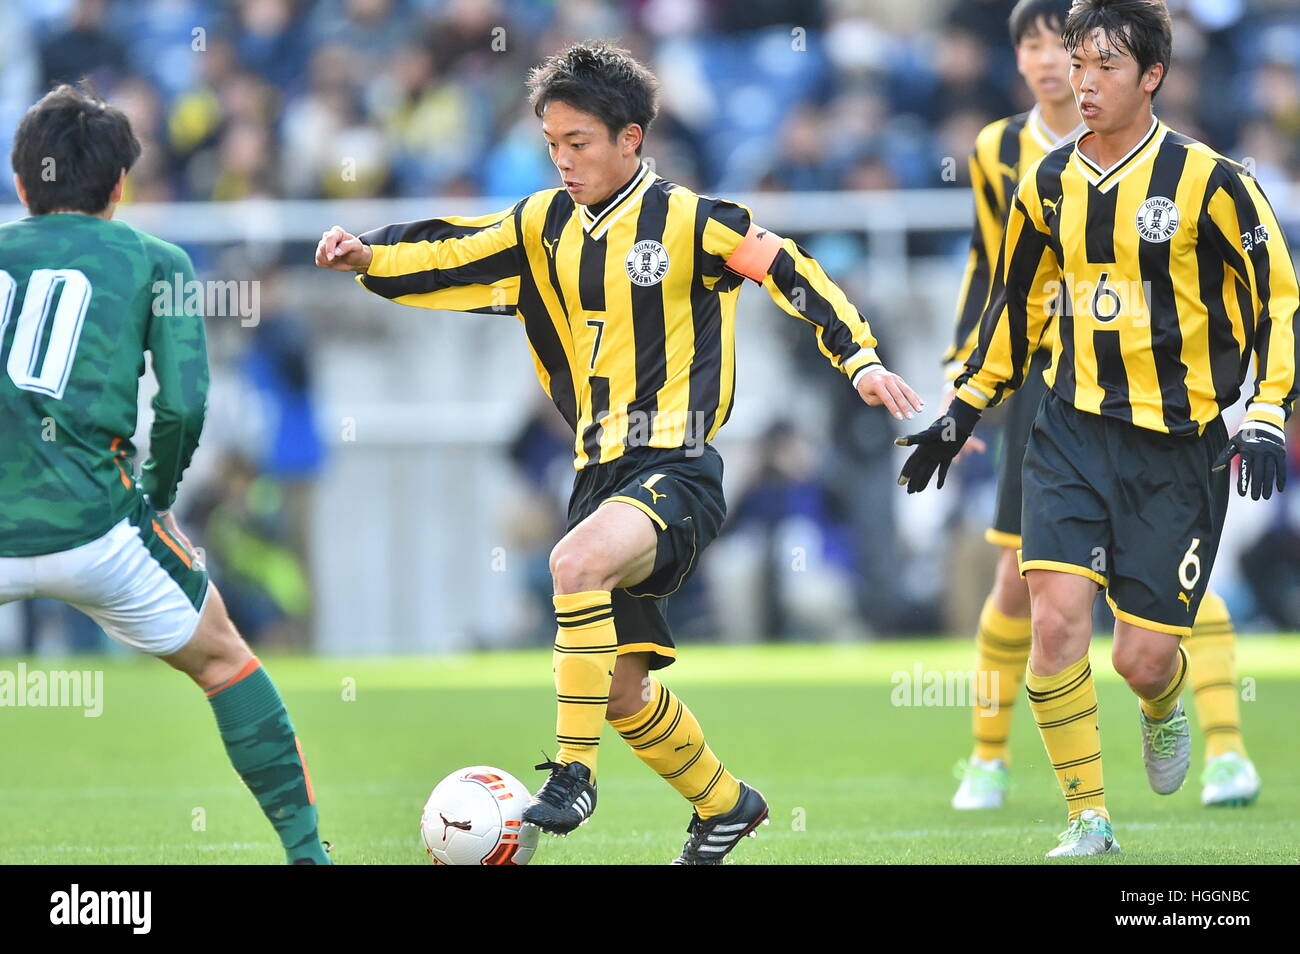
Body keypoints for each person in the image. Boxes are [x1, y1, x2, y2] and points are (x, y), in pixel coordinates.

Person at [316, 40, 923, 864]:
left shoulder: (692, 222)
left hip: (678, 464)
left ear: (631, 139)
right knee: (622, 690)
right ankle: (726, 805)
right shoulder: (540, 228)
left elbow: (790, 270)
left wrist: (859, 356)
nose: (563, 161)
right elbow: (451, 250)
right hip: (597, 475)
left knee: (573, 565)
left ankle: (571, 774)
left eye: (580, 144)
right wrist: (370, 257)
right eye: (552, 145)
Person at [898, 0, 1296, 856]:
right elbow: (1017, 309)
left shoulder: (1213, 181)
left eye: (1105, 66)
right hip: (1070, 430)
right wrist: (963, 406)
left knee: (1142, 659)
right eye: (1077, 62)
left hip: (1177, 443)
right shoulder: (1045, 182)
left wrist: (1266, 411)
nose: (1083, 81)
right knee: (1054, 617)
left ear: (1153, 76)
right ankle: (1088, 817)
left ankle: (1165, 704)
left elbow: (1280, 300)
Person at [0, 84, 330, 865]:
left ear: (21, 182)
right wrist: (159, 499)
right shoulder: (160, 261)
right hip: (104, 529)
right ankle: (308, 856)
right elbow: (184, 404)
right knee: (225, 662)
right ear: (121, 187)